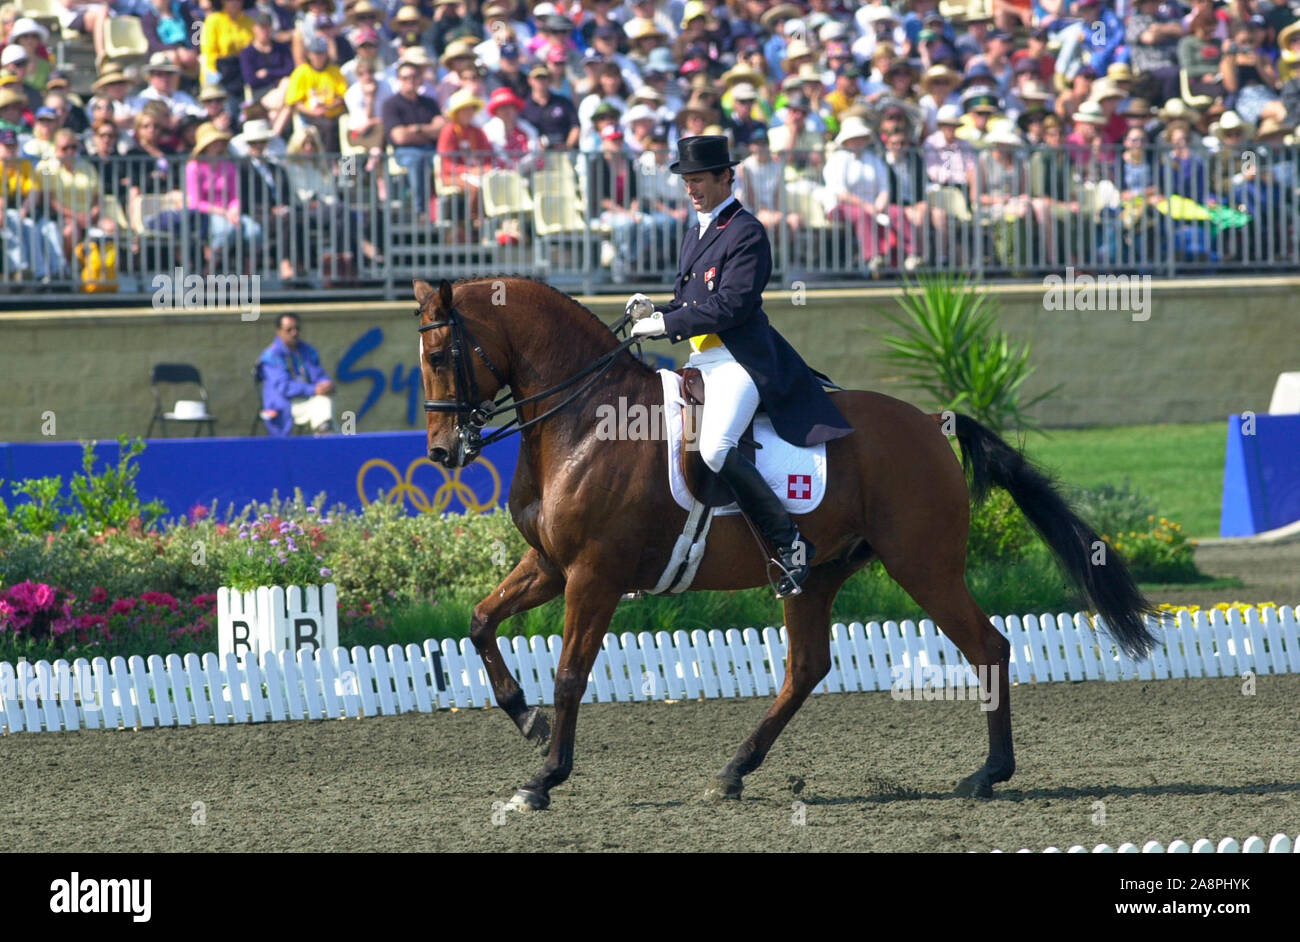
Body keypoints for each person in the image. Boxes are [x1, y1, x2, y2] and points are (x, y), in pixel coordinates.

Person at [625, 135, 853, 598]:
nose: (691, 189)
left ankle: (790, 545)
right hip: (701, 360)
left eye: (698, 180)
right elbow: (694, 301)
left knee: (713, 448)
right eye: (686, 181)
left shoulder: (747, 231)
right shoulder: (697, 231)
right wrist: (657, 311)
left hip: (739, 361)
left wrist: (666, 323)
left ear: (725, 177)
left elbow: (730, 305)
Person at [258, 312, 336, 436]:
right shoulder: (271, 356)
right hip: (283, 404)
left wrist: (326, 384)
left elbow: (319, 374)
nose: (294, 333)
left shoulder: (306, 350)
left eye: (297, 329)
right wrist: (314, 389)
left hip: (307, 400)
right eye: (289, 330)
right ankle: (325, 435)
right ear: (279, 331)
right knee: (321, 405)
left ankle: (324, 432)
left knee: (323, 400)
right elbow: (284, 387)